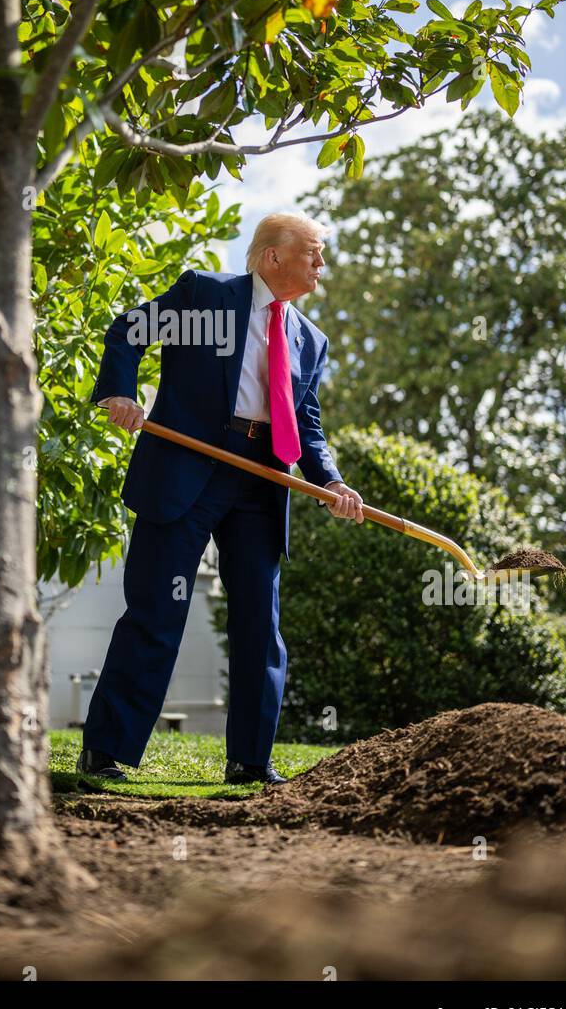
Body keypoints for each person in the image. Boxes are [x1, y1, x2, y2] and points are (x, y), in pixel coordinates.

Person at [78, 211, 363, 785]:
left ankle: (251, 761)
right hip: (186, 466)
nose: (322, 263)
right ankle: (107, 749)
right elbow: (130, 331)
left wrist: (329, 480)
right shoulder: (206, 296)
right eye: (314, 251)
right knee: (158, 610)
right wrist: (121, 394)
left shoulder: (311, 339)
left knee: (261, 622)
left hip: (264, 480)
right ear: (272, 256)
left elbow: (306, 423)